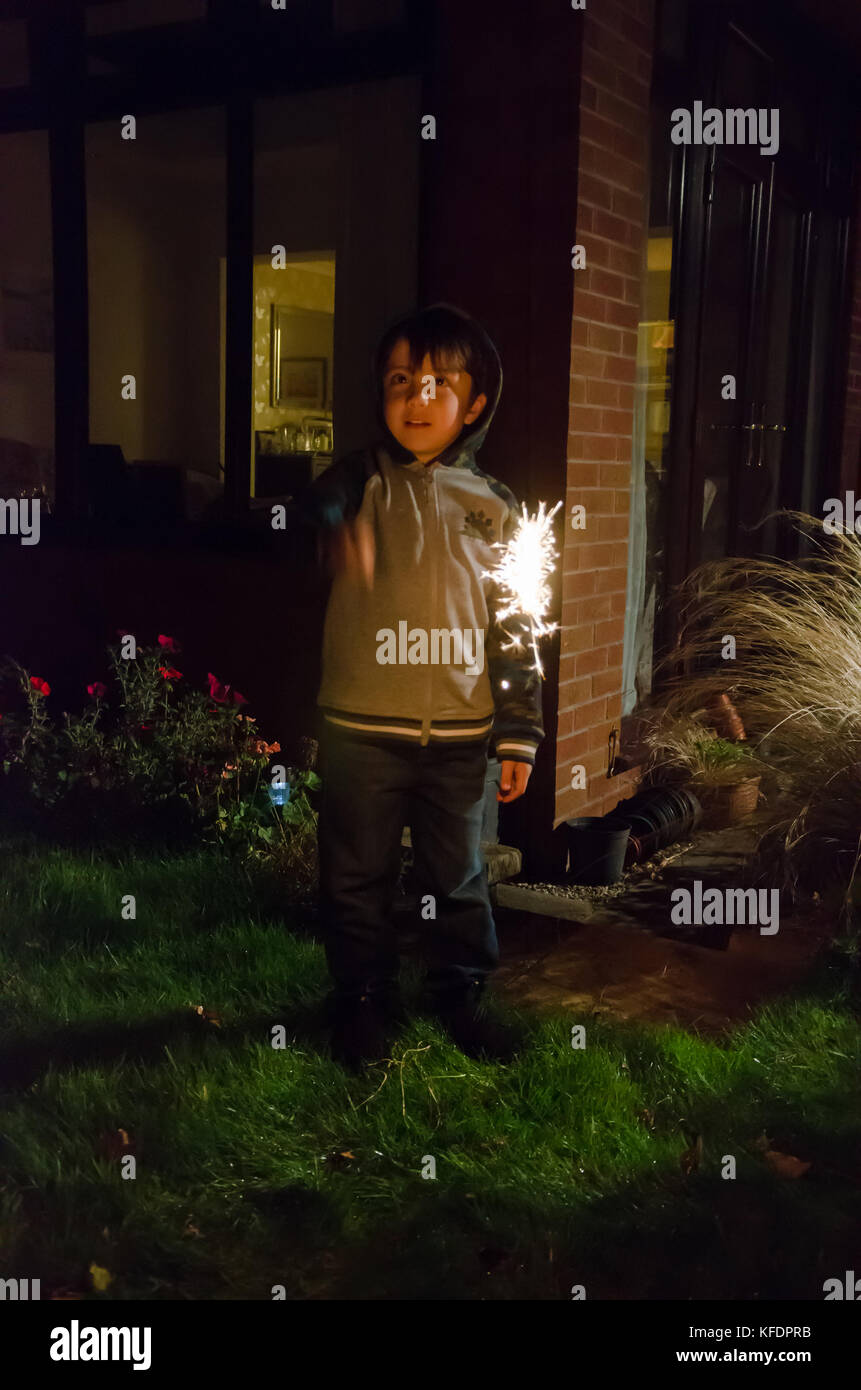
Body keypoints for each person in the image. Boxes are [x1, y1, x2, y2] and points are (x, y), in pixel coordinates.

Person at [298, 304, 544, 1071]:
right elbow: (316, 513)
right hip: (361, 730)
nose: (418, 396)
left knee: (459, 878)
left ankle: (460, 994)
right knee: (355, 876)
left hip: (461, 739)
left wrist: (519, 730)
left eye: (440, 382)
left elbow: (517, 625)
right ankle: (361, 1001)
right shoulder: (351, 483)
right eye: (402, 379)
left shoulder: (498, 508)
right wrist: (337, 530)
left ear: (474, 405)